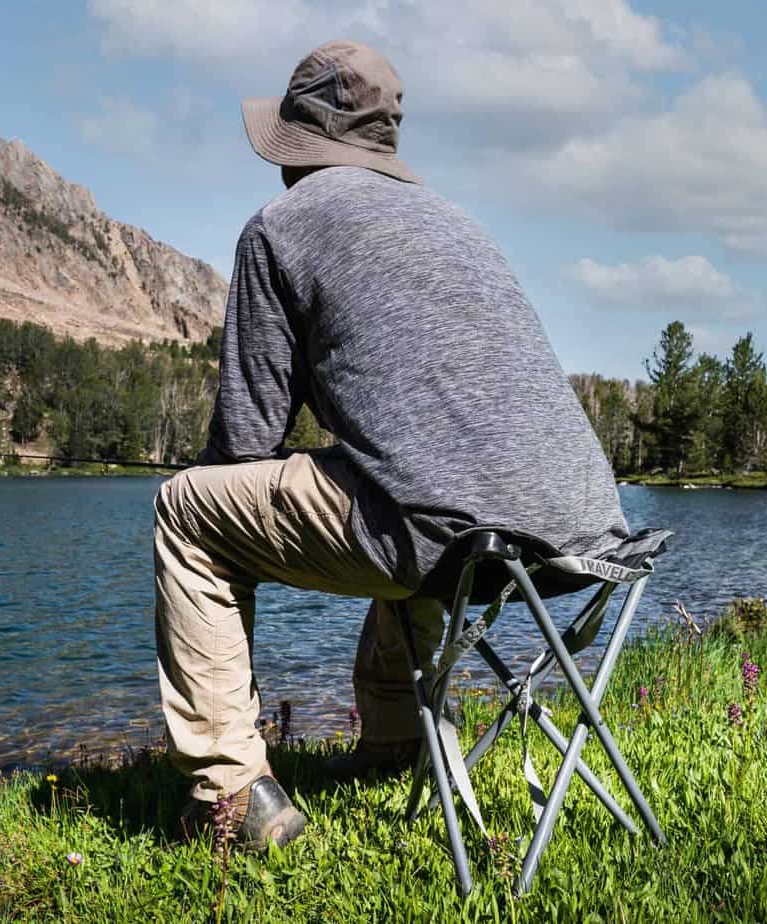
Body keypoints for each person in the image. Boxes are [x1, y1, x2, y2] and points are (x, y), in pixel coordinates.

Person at [153, 39, 629, 849]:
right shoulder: (457, 222)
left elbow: (246, 440)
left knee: (187, 512)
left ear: (298, 145)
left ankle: (232, 798)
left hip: (456, 536)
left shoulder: (281, 225)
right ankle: (396, 742)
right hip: (583, 536)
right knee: (410, 481)